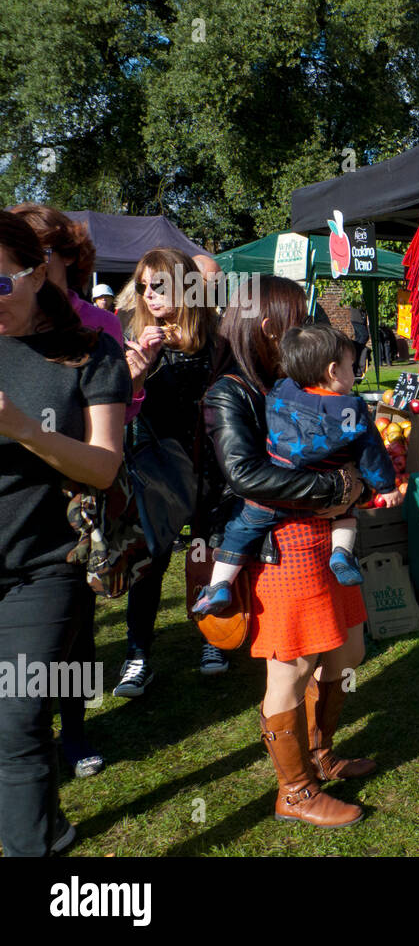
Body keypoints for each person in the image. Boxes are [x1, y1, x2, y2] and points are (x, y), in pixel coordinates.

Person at [204, 275, 374, 827]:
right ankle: (294, 791)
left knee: (346, 653)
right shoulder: (230, 391)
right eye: (299, 316)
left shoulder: (294, 381)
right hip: (280, 547)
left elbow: (352, 446)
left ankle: (321, 753)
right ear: (269, 324)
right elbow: (246, 476)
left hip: (325, 539)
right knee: (292, 668)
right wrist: (339, 489)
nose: (310, 327)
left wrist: (357, 478)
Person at [0, 212, 130, 854]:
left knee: (17, 719)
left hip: (45, 564)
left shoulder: (91, 351)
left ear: (34, 273)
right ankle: (45, 826)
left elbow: (105, 467)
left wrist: (24, 429)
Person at [193, 324, 399, 615]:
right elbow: (371, 453)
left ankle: (219, 585)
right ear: (332, 371)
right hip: (328, 494)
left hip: (275, 490)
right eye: (352, 367)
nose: (356, 374)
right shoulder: (352, 409)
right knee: (346, 517)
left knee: (239, 531)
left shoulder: (281, 390)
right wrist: (386, 486)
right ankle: (341, 555)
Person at [115, 248, 226, 695]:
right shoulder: (134, 340)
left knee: (205, 555)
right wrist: (136, 377)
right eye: (143, 287)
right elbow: (115, 414)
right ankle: (138, 654)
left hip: (210, 469)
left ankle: (212, 637)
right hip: (158, 472)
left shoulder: (218, 343)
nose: (149, 295)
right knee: (150, 564)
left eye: (158, 285)